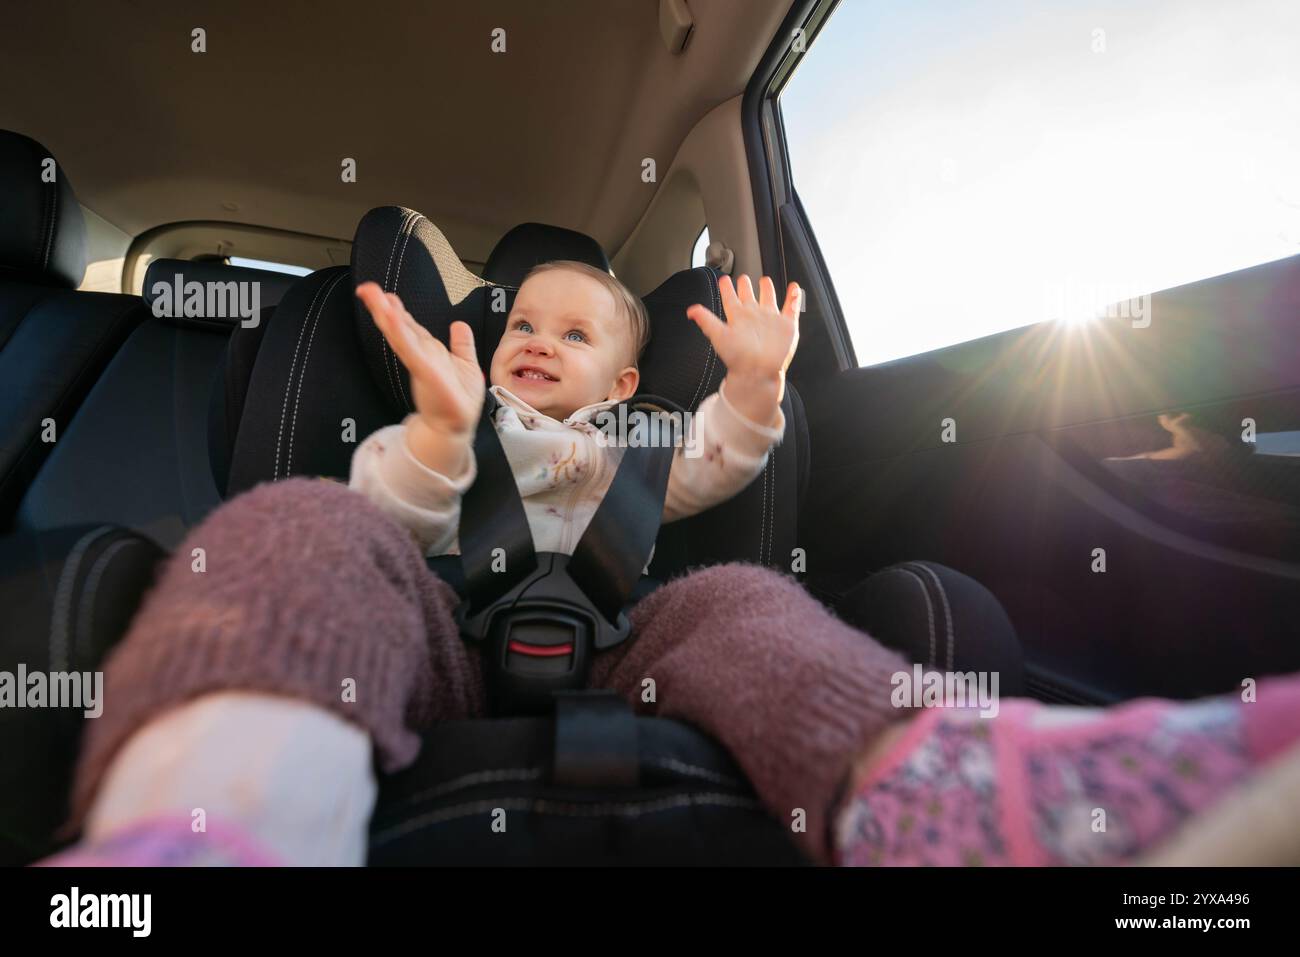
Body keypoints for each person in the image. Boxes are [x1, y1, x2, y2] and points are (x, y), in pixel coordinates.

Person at [39, 264, 1300, 867]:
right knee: (300, 529)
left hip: (620, 657)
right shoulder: (451, 423)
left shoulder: (638, 450)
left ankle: (946, 796)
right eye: (518, 324)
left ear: (624, 381)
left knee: (741, 601)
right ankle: (213, 827)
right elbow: (382, 525)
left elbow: (718, 463)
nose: (533, 343)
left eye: (570, 332)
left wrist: (755, 385)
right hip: (434, 653)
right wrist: (434, 433)